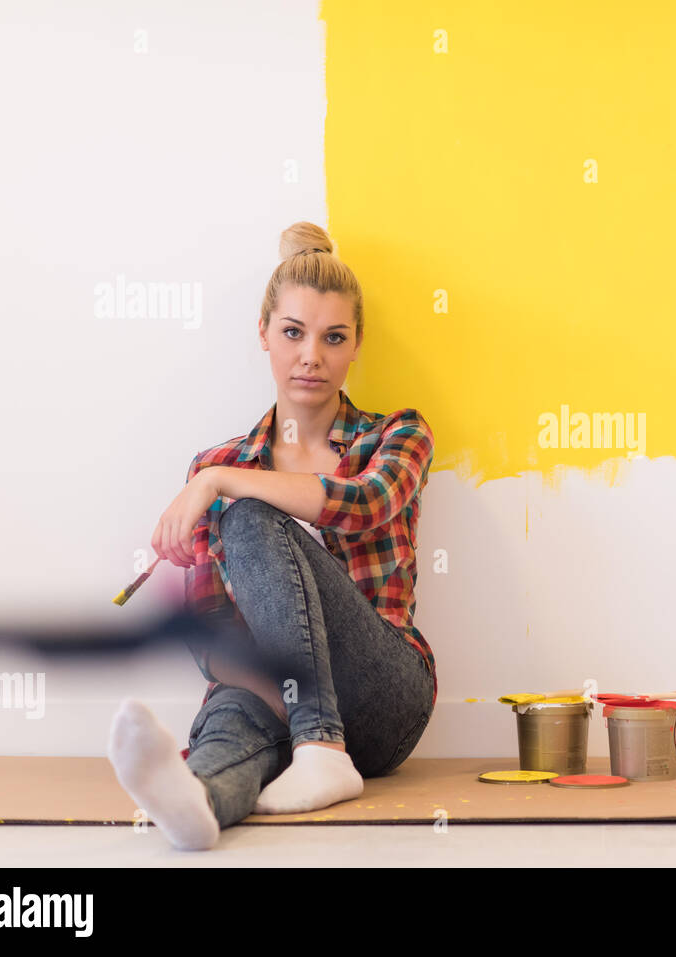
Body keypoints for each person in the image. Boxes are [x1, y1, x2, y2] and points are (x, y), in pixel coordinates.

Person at [106, 221, 436, 851]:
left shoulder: (397, 435)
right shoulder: (217, 467)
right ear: (264, 335)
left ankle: (320, 747)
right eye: (293, 333)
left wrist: (221, 484)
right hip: (270, 686)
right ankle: (195, 800)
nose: (311, 355)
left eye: (332, 338)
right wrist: (284, 691)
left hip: (382, 699)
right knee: (231, 725)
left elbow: (364, 505)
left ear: (356, 345)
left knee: (250, 513)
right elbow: (212, 635)